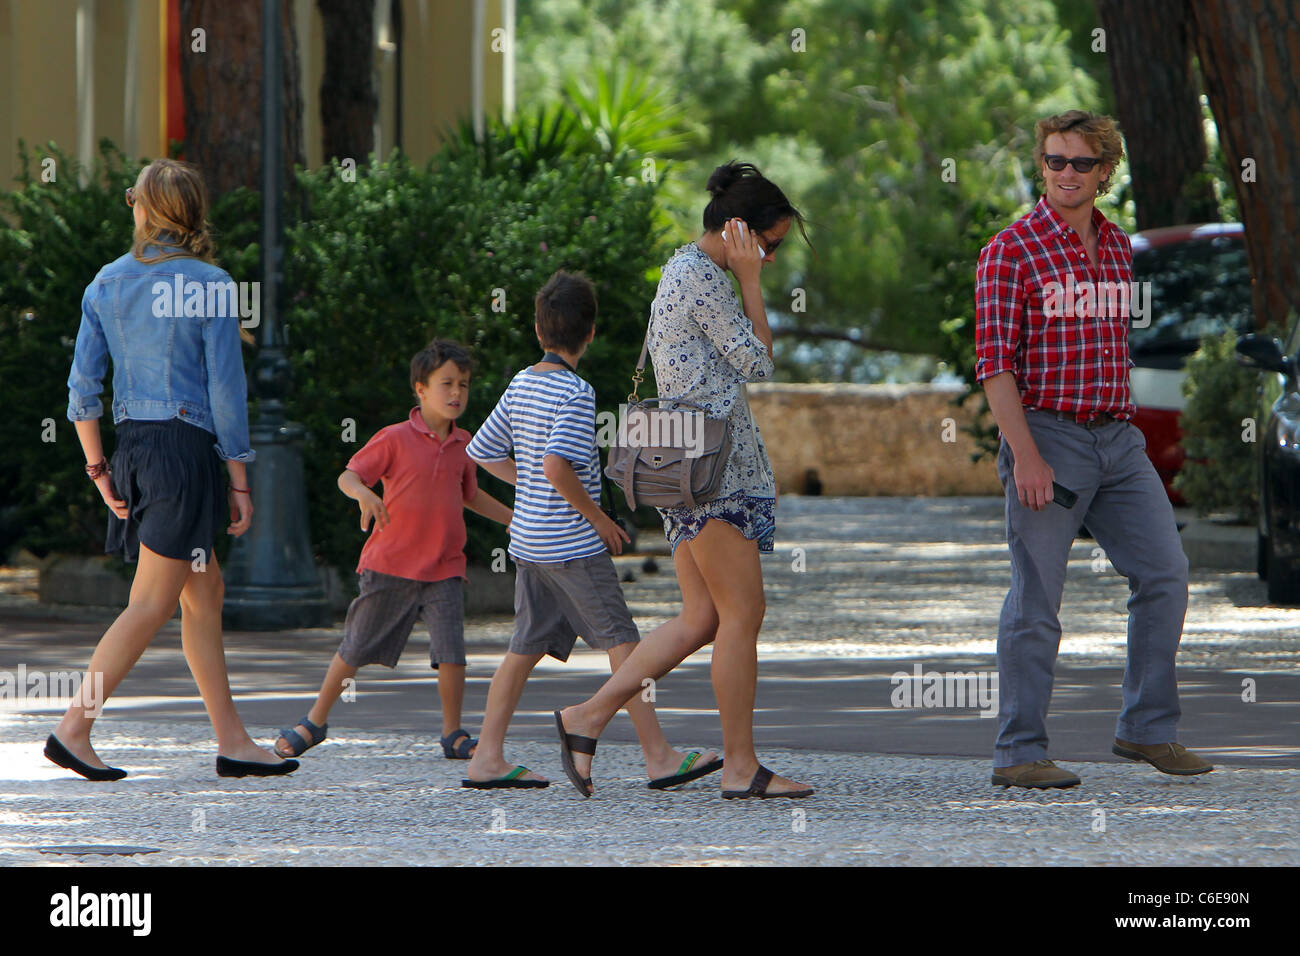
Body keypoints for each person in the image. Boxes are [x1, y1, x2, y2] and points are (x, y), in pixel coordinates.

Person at [552, 162, 815, 799]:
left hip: (689, 467)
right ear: (739, 230)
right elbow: (757, 360)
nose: (770, 259)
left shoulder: (686, 270)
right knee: (741, 615)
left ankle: (586, 717)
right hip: (712, 475)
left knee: (701, 616)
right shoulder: (704, 278)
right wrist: (751, 282)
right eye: (769, 245)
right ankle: (741, 768)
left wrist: (746, 273)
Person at [974, 110, 1213, 788]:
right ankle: (1020, 752)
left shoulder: (1117, 246)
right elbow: (995, 366)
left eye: (1080, 163)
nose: (1065, 174)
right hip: (1047, 435)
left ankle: (1147, 731)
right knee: (1037, 598)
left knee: (1165, 573)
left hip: (1119, 440)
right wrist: (1026, 455)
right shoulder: (1010, 251)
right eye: (1053, 161)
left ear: (1106, 171)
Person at [51, 158, 297, 780]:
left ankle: (232, 741)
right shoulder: (211, 283)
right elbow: (225, 392)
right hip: (185, 454)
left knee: (202, 590)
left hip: (136, 450)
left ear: (144, 209)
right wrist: (240, 481)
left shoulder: (105, 283)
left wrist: (98, 468)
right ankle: (73, 728)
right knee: (152, 602)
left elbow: (83, 389)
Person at [462, 270, 721, 793]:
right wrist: (599, 519)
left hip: (530, 544)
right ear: (591, 333)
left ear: (538, 330)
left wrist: (528, 485)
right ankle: (659, 756)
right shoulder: (576, 393)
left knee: (524, 648)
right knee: (625, 643)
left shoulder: (521, 382)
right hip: (571, 545)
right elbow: (557, 466)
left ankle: (486, 757)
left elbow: (481, 451)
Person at [273, 340, 513, 762]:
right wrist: (364, 494)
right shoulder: (395, 438)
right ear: (420, 389)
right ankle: (314, 721)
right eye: (446, 384)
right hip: (390, 565)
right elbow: (348, 477)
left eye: (464, 385)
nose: (457, 393)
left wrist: (517, 519)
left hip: (444, 567)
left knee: (451, 652)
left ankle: (453, 732)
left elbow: (471, 497)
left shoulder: (466, 445)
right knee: (355, 647)